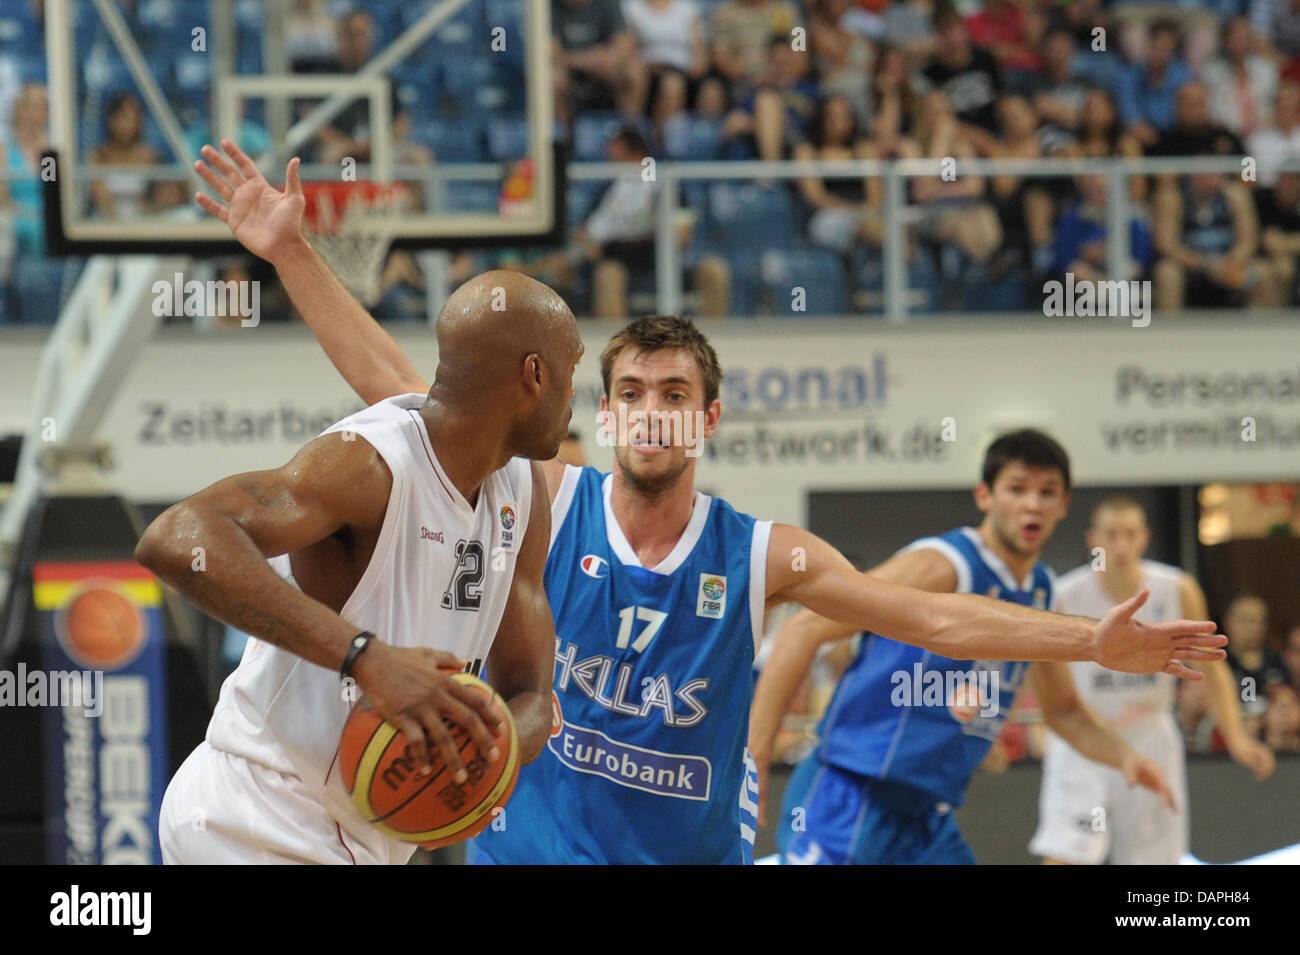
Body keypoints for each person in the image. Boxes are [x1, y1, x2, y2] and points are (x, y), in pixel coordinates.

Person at [228, 147, 1228, 865]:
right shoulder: (540, 496)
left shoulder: (760, 553)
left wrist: (1087, 642)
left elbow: (930, 614)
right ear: (605, 413)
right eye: (632, 395)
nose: (652, 416)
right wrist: (292, 255)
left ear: (708, 416)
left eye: (674, 396)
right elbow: (402, 389)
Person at [145, 142, 575, 864]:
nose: (576, 393)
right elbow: (174, 535)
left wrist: (489, 745)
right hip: (250, 812)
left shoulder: (520, 490)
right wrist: (366, 658)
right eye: (573, 369)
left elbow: (531, 692)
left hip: (360, 839)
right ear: (534, 374)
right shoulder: (370, 464)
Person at [750, 432, 1197, 865]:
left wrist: (1127, 757)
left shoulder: (1041, 589)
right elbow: (801, 631)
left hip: (927, 813)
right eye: (1017, 489)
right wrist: (754, 762)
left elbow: (1064, 710)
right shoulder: (944, 563)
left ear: (1064, 505)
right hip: (853, 792)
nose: (1032, 504)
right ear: (985, 496)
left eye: (1047, 492)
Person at [1028, 497, 1274, 866]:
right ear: (1093, 540)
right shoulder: (1064, 595)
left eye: (1130, 534)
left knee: (1154, 860)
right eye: (1111, 534)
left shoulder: (1177, 589)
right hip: (1085, 740)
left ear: (1144, 538)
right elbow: (1041, 678)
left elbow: (1213, 668)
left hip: (1150, 738)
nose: (1121, 545)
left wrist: (1236, 736)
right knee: (1068, 855)